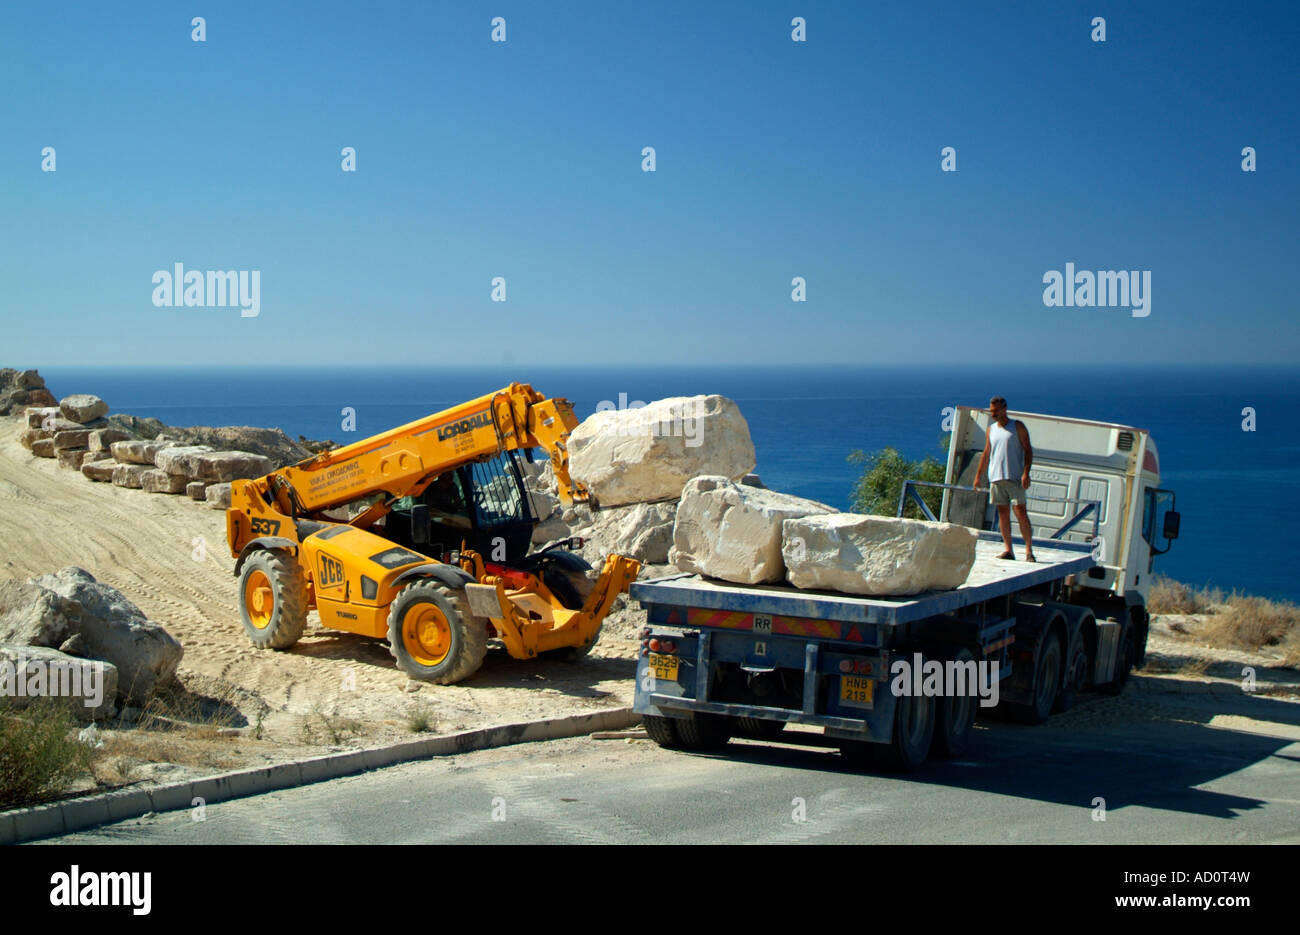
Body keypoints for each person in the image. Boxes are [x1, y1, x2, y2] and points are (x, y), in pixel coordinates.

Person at [972, 396, 1036, 562]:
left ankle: (1029, 551)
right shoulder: (991, 429)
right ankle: (1008, 549)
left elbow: (1028, 449)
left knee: (1020, 512)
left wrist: (1026, 472)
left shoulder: (1017, 426)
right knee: (1002, 513)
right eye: (991, 411)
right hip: (996, 477)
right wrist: (978, 476)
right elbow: (987, 453)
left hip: (1014, 477)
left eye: (996, 410)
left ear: (1004, 409)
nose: (993, 414)